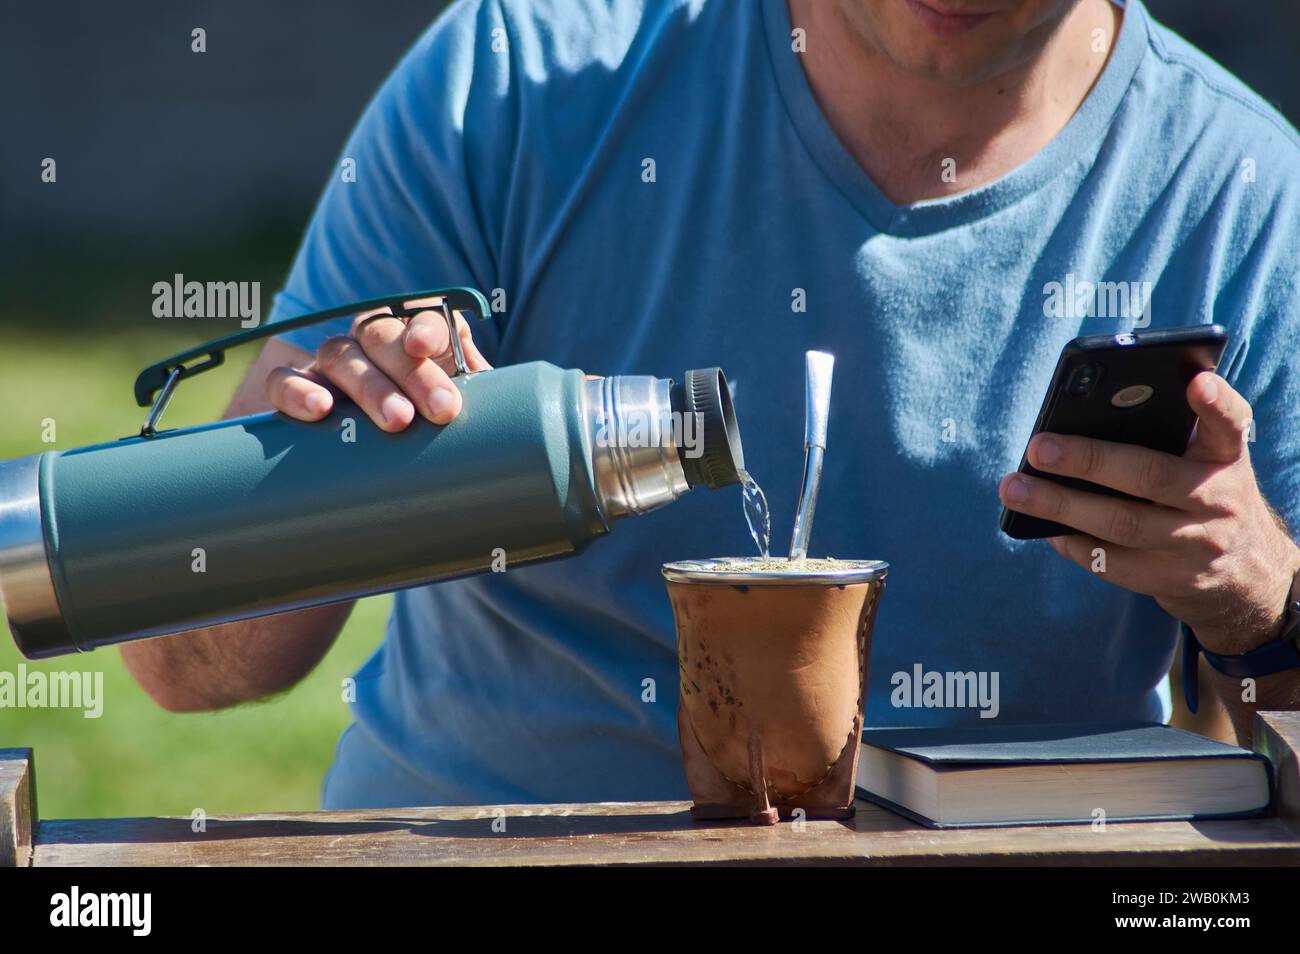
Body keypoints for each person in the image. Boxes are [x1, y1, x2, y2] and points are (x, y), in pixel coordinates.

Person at [123, 0, 1300, 809]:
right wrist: (310, 479)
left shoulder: (1241, 196)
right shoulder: (518, 83)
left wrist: (1261, 604)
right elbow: (184, 666)